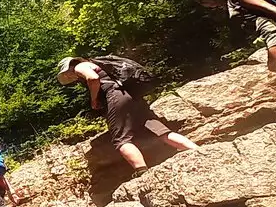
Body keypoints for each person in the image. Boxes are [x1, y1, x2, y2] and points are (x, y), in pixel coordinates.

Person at [56, 56, 199, 178]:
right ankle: (196, 150)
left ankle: (142, 172)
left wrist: (94, 100)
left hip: (116, 96)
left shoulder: (80, 66)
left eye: (67, 74)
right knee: (159, 130)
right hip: (132, 95)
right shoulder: (98, 63)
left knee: (121, 139)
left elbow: (93, 78)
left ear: (69, 67)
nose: (70, 77)